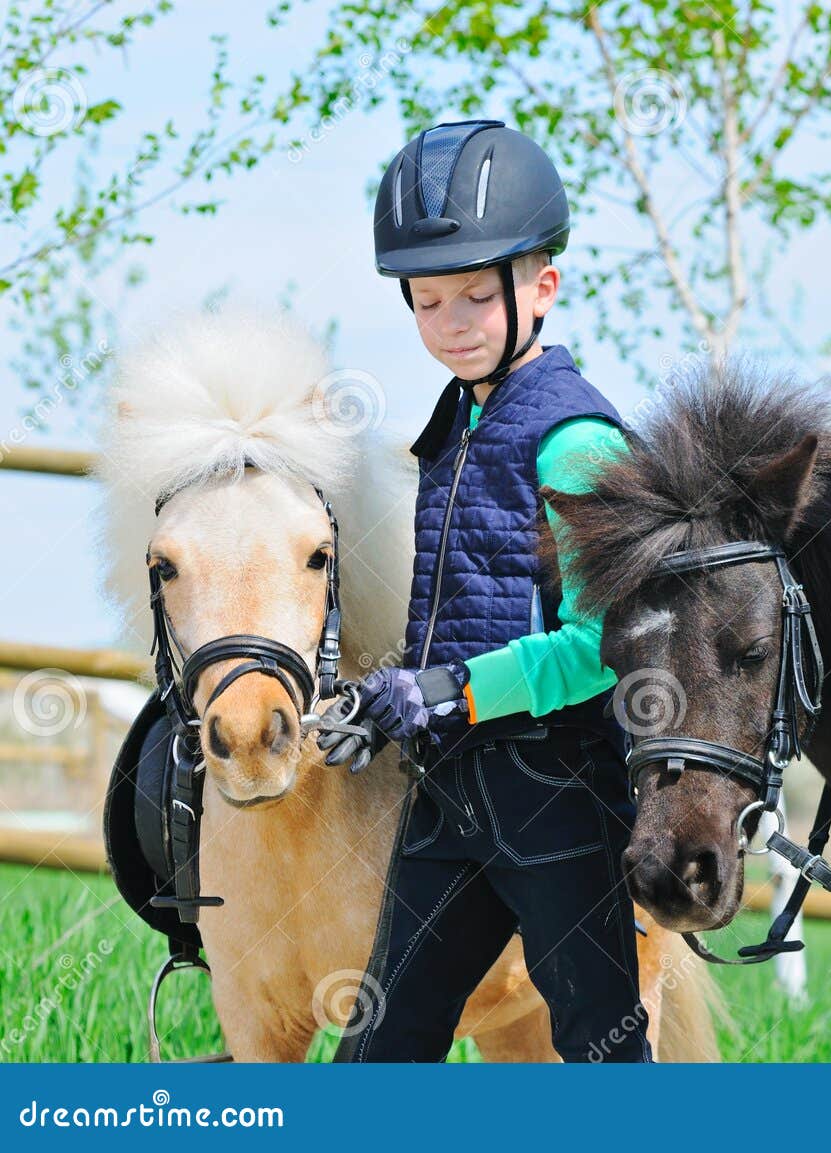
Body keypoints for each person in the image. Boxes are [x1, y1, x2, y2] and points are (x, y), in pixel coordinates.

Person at [318, 119, 649, 1062]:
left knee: (600, 1046)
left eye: (474, 296)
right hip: (450, 791)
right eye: (427, 302)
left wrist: (448, 689)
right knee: (381, 1043)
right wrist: (388, 705)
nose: (451, 322)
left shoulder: (577, 440)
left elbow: (602, 644)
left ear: (541, 288)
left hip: (558, 797)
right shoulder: (457, 423)